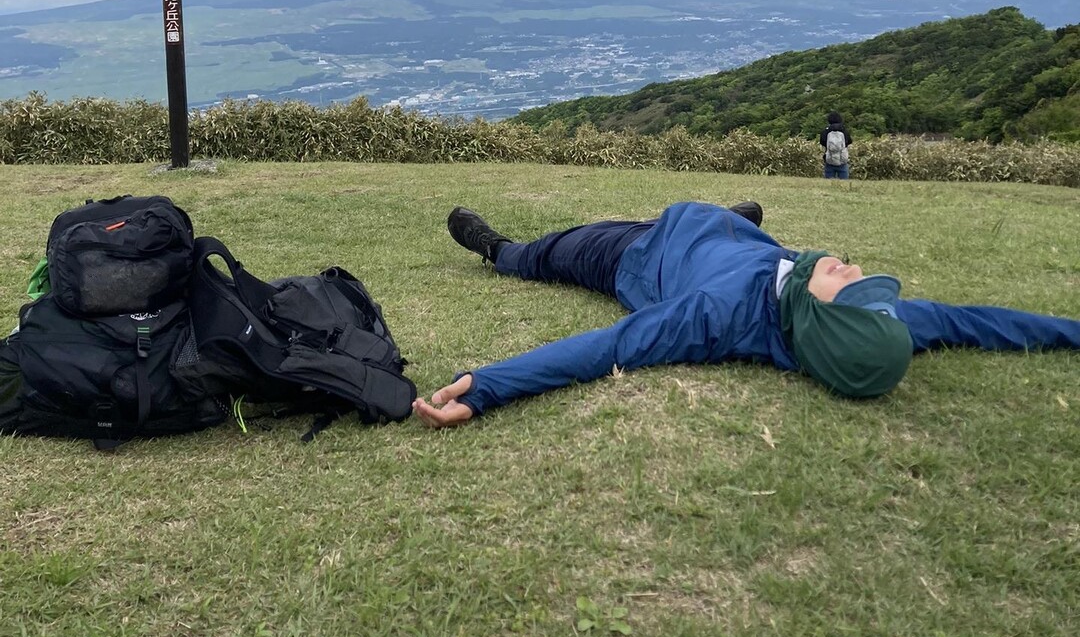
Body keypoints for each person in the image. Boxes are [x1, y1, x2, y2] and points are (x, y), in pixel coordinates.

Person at [412, 201, 1080, 428]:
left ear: (822, 323)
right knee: (738, 222)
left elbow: (611, 345)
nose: (853, 269)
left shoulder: (714, 315)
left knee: (546, 253)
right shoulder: (884, 323)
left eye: (845, 283)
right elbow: (979, 322)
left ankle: (493, 247)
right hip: (730, 236)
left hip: (640, 253)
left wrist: (492, 386)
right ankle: (737, 217)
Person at [820, 112, 852, 179]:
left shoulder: (826, 131)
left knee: (829, 182)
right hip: (842, 159)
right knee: (844, 183)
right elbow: (849, 141)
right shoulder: (844, 130)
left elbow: (822, 142)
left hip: (829, 159)